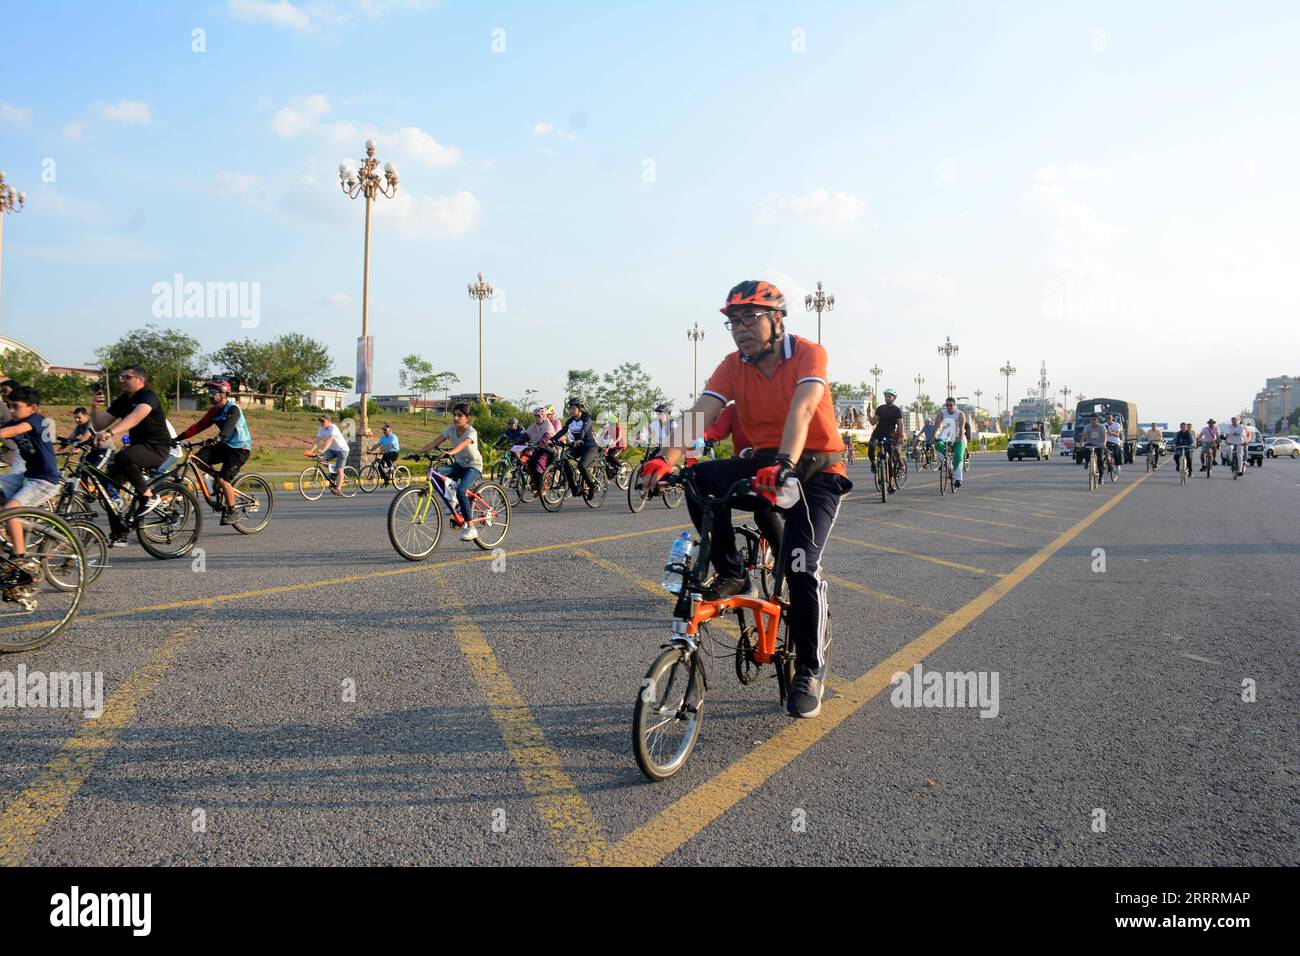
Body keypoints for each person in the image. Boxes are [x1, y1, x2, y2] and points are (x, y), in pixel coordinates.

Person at [641, 279, 851, 719]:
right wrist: (664, 459)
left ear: (777, 318)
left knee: (800, 567)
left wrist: (786, 464)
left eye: (749, 317)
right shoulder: (732, 365)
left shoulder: (809, 353)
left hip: (814, 470)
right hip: (765, 465)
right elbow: (701, 411)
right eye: (732, 321)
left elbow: (804, 409)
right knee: (699, 480)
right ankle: (733, 572)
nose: (739, 328)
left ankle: (810, 669)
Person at [90, 365, 172, 545]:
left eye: (127, 377)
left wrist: (111, 433)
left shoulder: (147, 396)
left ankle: (148, 497)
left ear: (140, 380)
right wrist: (94, 407)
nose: (122, 381)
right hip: (139, 448)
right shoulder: (123, 399)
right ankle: (119, 534)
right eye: (121, 377)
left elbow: (135, 417)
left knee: (123, 456)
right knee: (107, 487)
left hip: (157, 447)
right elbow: (99, 424)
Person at [0, 387, 64, 600]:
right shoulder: (15, 422)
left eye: (15, 407)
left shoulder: (36, 420)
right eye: (9, 406)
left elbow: (10, 432)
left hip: (45, 480)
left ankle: (20, 557)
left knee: (11, 510)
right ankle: (10, 526)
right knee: (6, 506)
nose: (11, 410)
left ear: (33, 407)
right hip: (29, 476)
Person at [174, 378, 252, 524]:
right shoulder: (214, 411)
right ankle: (218, 478)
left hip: (240, 449)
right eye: (209, 391)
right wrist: (177, 438)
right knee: (198, 459)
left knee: (224, 479)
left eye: (214, 392)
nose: (210, 395)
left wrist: (219, 437)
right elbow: (199, 426)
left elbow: (230, 425)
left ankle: (232, 511)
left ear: (223, 393)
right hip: (225, 445)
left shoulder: (233, 408)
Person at [409, 403, 484, 541]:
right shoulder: (450, 430)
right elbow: (433, 443)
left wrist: (449, 452)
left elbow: (462, 445)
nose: (455, 418)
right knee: (436, 474)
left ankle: (471, 528)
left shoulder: (471, 432)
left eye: (459, 415)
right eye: (454, 415)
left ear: (468, 418)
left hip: (474, 466)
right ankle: (453, 500)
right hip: (459, 465)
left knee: (462, 491)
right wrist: (417, 453)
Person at [551, 397, 600, 496]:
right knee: (562, 458)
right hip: (577, 446)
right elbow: (562, 431)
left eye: (573, 408)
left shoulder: (587, 418)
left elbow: (584, 430)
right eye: (570, 408)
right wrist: (552, 439)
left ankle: (592, 486)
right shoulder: (570, 421)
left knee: (581, 466)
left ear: (580, 408)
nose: (571, 410)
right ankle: (573, 486)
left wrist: (579, 439)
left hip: (590, 446)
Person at [866, 388, 906, 489]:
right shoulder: (880, 408)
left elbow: (900, 424)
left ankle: (891, 484)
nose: (887, 398)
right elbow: (873, 422)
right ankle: (872, 464)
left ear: (894, 398)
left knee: (889, 461)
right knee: (871, 446)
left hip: (890, 436)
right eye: (886, 396)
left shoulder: (897, 410)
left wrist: (901, 436)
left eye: (889, 396)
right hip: (877, 434)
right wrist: (868, 413)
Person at [307, 414, 350, 496]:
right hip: (333, 450)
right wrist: (310, 451)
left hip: (342, 450)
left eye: (323, 421)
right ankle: (334, 472)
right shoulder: (321, 428)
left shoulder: (333, 427)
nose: (321, 422)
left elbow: (330, 440)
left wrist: (323, 450)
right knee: (320, 459)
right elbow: (317, 441)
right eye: (320, 421)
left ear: (329, 421)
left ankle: (338, 489)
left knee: (340, 470)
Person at [522, 405, 558, 494]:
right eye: (535, 416)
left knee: (538, 465)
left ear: (543, 416)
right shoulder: (533, 426)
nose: (537, 418)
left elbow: (547, 437)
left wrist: (539, 444)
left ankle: (542, 486)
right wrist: (516, 444)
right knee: (528, 464)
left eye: (538, 416)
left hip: (549, 451)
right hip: (538, 450)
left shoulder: (548, 425)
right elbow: (525, 436)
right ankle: (537, 484)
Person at [934, 397, 968, 488]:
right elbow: (936, 425)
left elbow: (961, 427)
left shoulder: (960, 414)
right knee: (937, 445)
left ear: (955, 405)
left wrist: (959, 438)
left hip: (958, 437)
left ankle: (958, 479)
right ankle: (946, 462)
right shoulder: (942, 413)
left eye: (951, 405)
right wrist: (933, 436)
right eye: (947, 405)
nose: (949, 407)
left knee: (958, 456)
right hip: (945, 437)